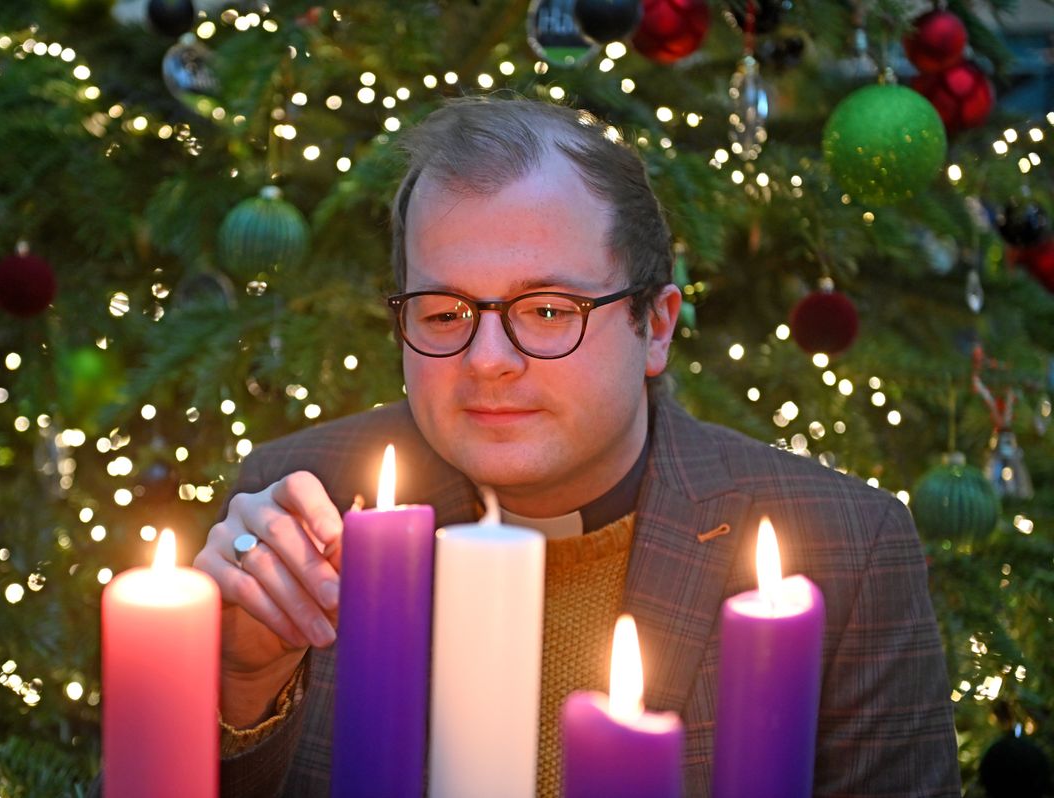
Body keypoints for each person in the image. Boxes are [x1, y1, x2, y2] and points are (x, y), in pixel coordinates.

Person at [193, 95, 960, 796]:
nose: (487, 357)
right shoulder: (300, 507)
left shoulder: (845, 549)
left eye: (550, 309)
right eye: (442, 312)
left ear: (655, 327)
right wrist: (240, 683)